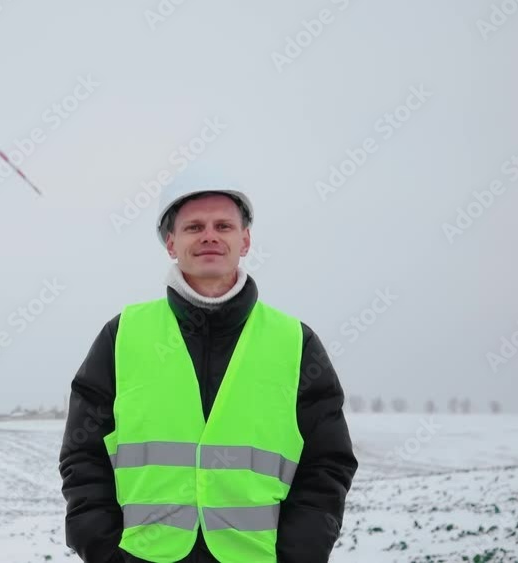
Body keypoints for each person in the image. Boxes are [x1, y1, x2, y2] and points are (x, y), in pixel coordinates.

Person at [58, 166, 358, 562]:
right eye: (194, 227)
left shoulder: (295, 342)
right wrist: (104, 550)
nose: (210, 236)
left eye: (223, 226)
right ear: (171, 242)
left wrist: (298, 554)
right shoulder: (123, 335)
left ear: (245, 240)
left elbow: (327, 463)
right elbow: (83, 455)